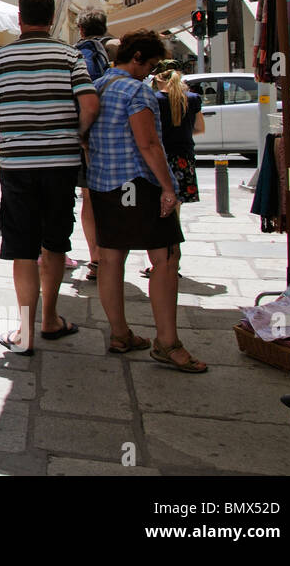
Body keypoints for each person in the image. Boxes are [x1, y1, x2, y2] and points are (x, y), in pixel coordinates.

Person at [0, 0, 98, 354]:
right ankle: (51, 319)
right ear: (51, 19)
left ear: (19, 16)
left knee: (22, 247)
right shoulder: (70, 56)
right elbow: (89, 103)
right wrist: (77, 135)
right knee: (55, 241)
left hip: (16, 165)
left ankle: (24, 332)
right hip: (61, 163)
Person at [87, 30, 206, 373]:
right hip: (139, 183)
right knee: (166, 258)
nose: (151, 73)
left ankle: (120, 334)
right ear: (136, 57)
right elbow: (149, 144)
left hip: (102, 184)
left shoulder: (97, 87)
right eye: (150, 65)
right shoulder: (136, 91)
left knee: (110, 260)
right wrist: (168, 187)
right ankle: (168, 343)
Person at [141, 60, 205, 278]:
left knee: (158, 212)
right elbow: (200, 128)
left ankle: (161, 262)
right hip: (184, 159)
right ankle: (174, 261)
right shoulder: (193, 99)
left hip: (160, 159)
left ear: (157, 78)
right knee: (175, 212)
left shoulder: (154, 100)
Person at [75, 11, 110, 282]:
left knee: (88, 197)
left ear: (81, 29)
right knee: (106, 197)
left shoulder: (77, 55)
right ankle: (109, 255)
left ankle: (96, 257)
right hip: (110, 133)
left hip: (83, 134)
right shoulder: (112, 51)